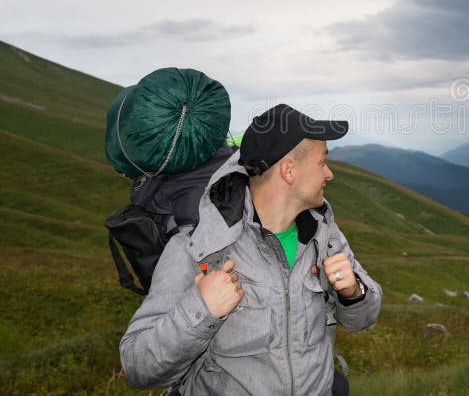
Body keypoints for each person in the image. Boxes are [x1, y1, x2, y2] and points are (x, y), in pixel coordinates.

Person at [120, 104, 382, 395]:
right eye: (322, 162)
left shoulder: (325, 235)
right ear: (289, 171)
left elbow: (363, 319)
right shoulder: (197, 247)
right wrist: (202, 309)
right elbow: (138, 367)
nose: (329, 174)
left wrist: (354, 292)